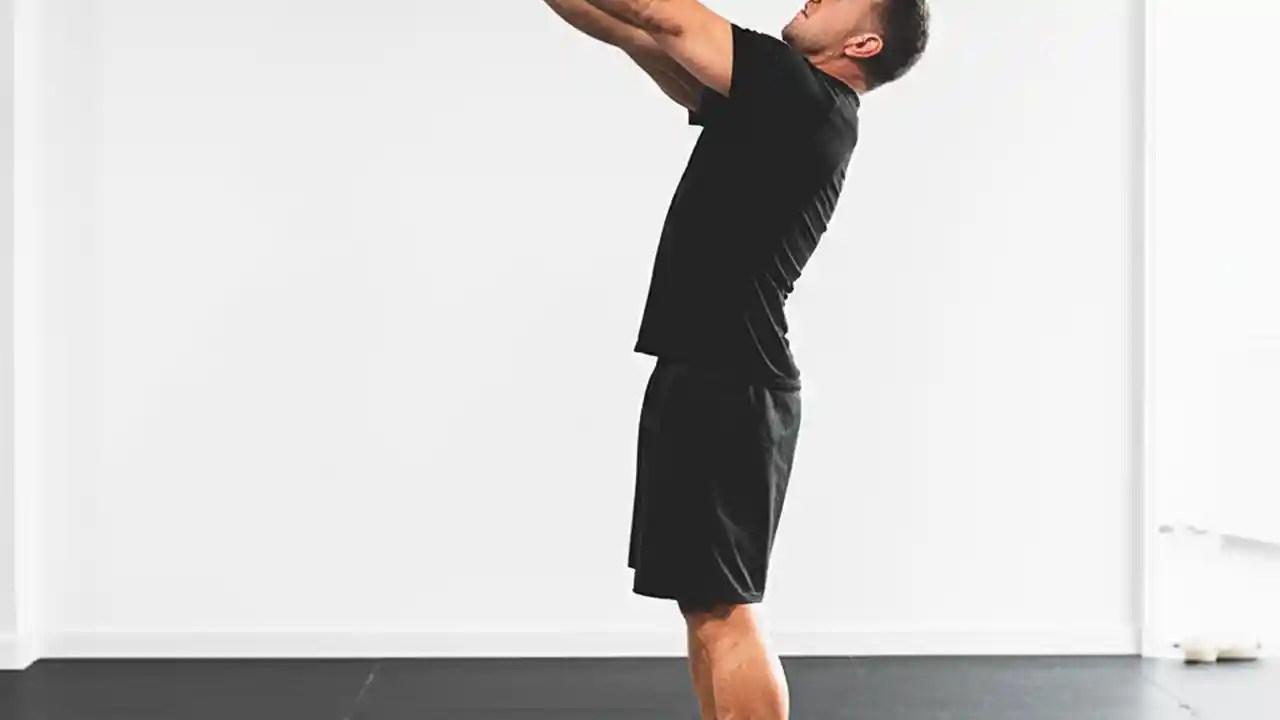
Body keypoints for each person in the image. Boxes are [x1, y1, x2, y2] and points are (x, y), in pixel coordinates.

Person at [542, 1, 929, 717]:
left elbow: (663, 14)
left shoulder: (800, 94)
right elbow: (632, 31)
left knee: (727, 612)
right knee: (706, 610)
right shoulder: (775, 104)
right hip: (712, 373)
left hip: (731, 382)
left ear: (863, 41)